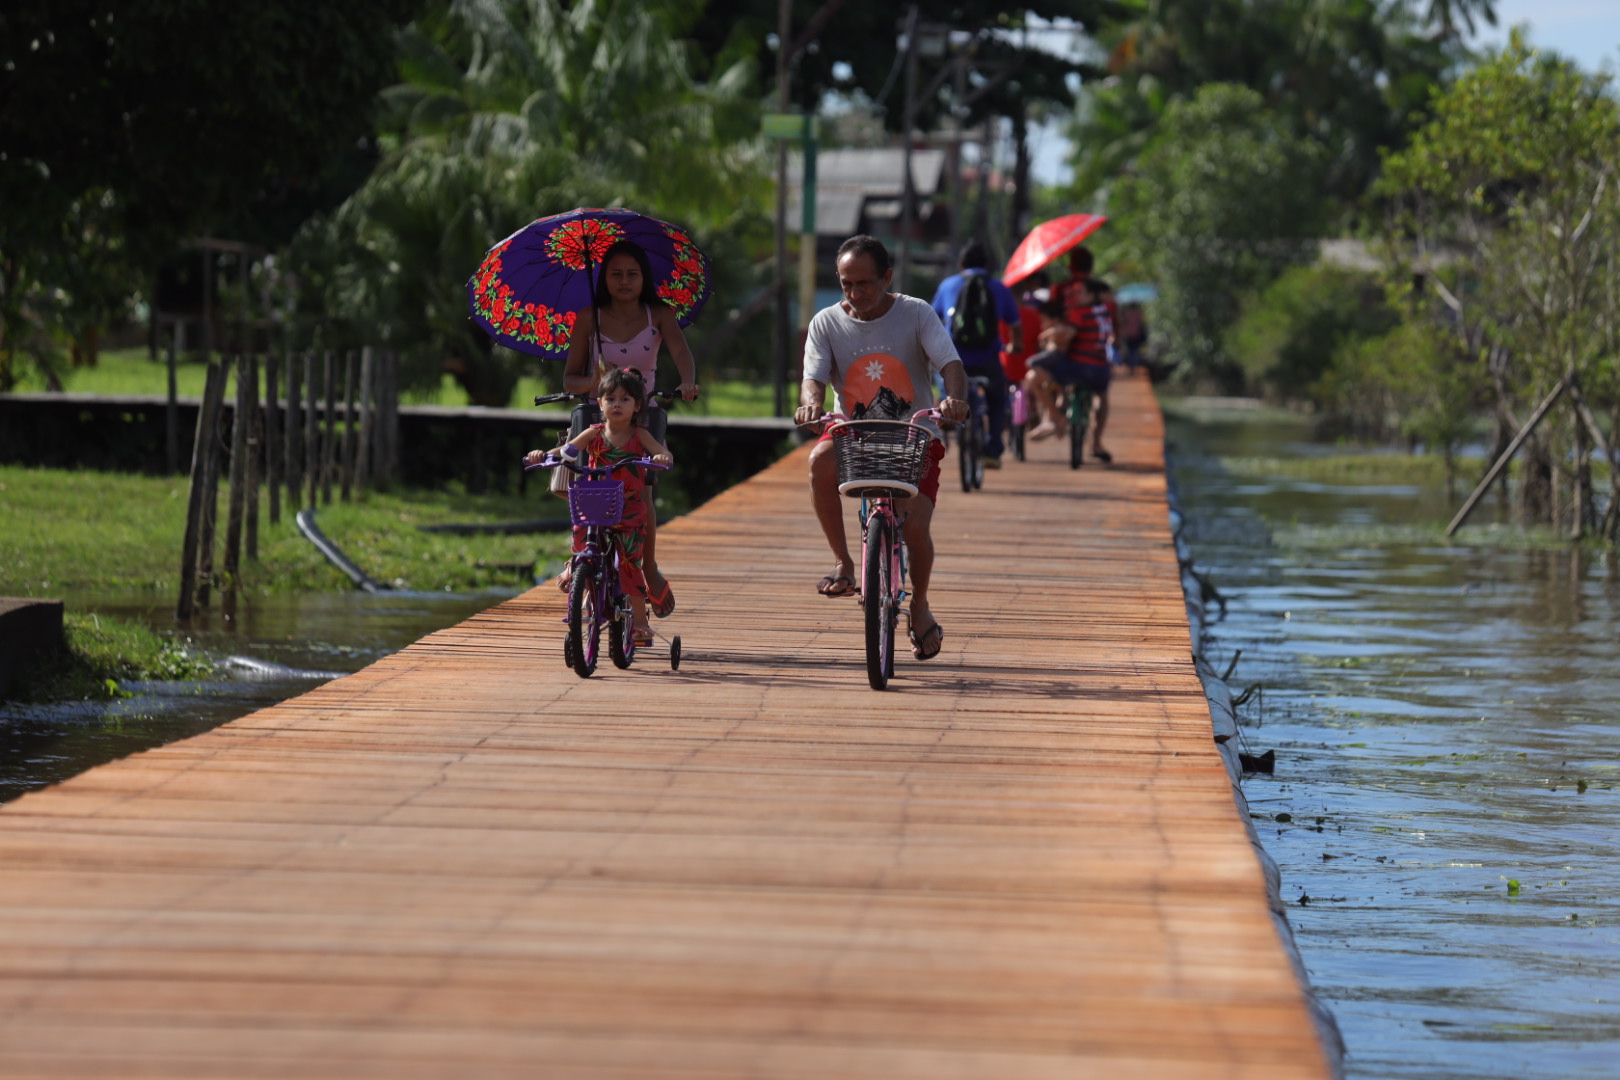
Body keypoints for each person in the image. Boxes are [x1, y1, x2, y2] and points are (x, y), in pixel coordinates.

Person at [795, 235, 969, 662]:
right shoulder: (826, 323)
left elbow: (950, 364)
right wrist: (811, 404)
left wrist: (954, 400)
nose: (855, 294)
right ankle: (844, 563)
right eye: (846, 284)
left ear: (887, 278)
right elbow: (813, 376)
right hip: (853, 433)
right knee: (818, 461)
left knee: (915, 527)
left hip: (915, 434)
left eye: (864, 284)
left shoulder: (916, 313)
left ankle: (921, 605)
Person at [561, 239, 699, 618]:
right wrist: (589, 382)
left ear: (644, 278)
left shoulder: (660, 315)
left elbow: (683, 355)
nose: (623, 281)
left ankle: (648, 568)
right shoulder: (590, 317)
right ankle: (580, 558)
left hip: (643, 413)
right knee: (578, 482)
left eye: (632, 274)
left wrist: (687, 382)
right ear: (604, 278)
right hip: (596, 411)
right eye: (615, 274)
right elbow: (569, 378)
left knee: (644, 490)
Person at [526, 367, 673, 648]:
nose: (617, 404)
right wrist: (543, 455)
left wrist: (661, 457)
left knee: (630, 563)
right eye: (610, 399)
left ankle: (640, 623)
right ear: (601, 405)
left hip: (628, 506)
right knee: (582, 535)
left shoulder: (639, 435)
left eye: (625, 399)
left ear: (637, 405)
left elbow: (662, 451)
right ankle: (577, 568)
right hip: (596, 501)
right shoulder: (593, 433)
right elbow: (568, 450)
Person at [929, 241, 1022, 469]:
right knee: (996, 400)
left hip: (953, 360)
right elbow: (1015, 325)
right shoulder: (1000, 288)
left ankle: (947, 415)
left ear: (961, 264)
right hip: (989, 358)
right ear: (987, 264)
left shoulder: (948, 285)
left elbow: (931, 320)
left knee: (949, 393)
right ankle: (992, 449)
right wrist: (1015, 346)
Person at [1023, 278, 1113, 462]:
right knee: (1102, 398)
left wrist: (1049, 334)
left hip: (1079, 367)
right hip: (1102, 370)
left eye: (1081, 293)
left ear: (1091, 295)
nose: (1076, 296)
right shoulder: (1105, 311)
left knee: (1033, 375)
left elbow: (1067, 334)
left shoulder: (1080, 312)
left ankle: (1055, 417)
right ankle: (1096, 442)